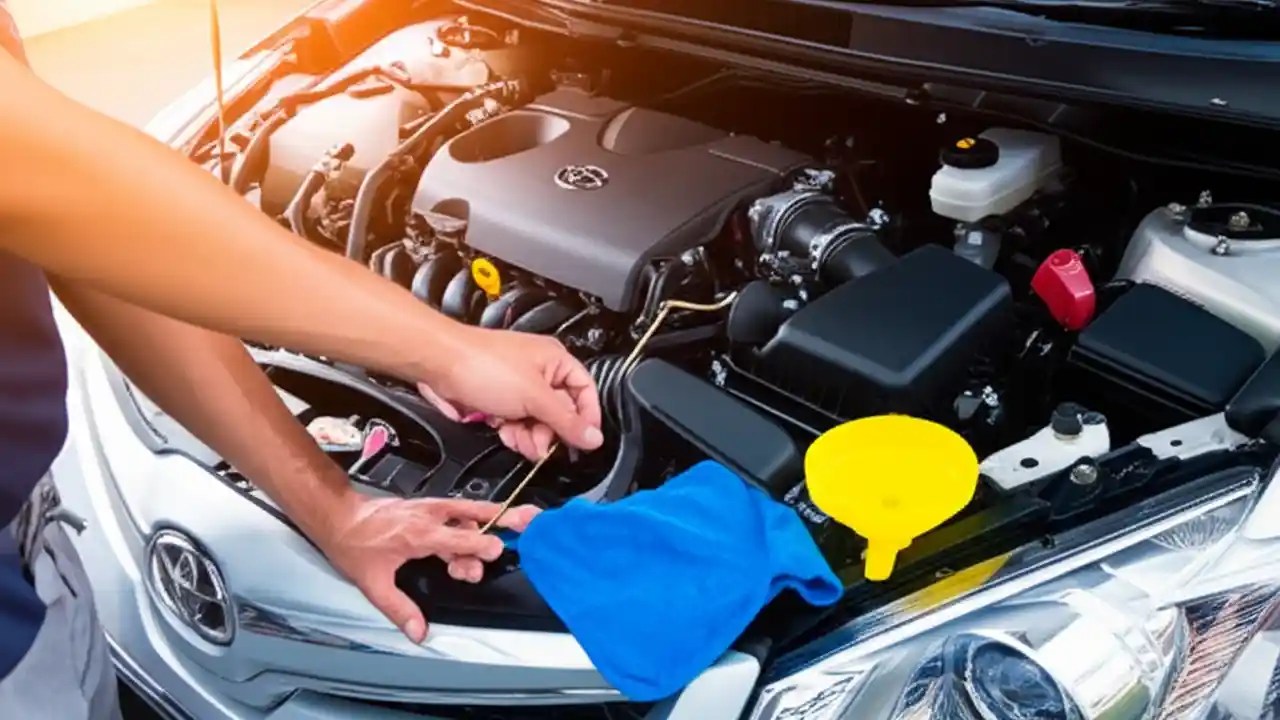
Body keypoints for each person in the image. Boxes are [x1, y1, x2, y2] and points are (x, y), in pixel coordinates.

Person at [0, 6, 603, 718]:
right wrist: (447, 348)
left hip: (38, 556)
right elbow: (60, 188)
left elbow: (86, 239)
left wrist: (332, 508)